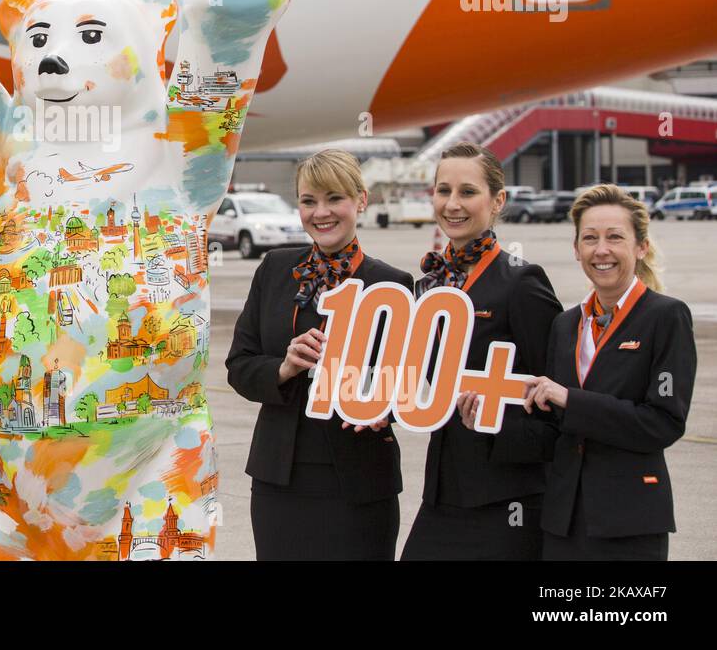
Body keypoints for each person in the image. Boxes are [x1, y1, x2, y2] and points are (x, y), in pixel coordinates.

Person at [227, 149, 412, 559]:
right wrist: (284, 367)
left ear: (361, 201)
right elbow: (239, 367)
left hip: (360, 481)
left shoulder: (392, 284)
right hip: (281, 478)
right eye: (309, 201)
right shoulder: (275, 269)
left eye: (334, 199)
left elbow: (410, 384)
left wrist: (386, 406)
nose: (321, 212)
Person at [401, 142, 563, 560]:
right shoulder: (429, 286)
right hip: (442, 491)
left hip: (507, 498)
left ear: (498, 201)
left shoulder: (522, 283)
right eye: (443, 191)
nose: (452, 204)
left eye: (468, 192)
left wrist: (494, 428)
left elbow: (560, 406)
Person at [527, 185, 695, 560]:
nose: (601, 250)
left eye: (614, 237)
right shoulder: (565, 325)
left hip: (629, 522)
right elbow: (552, 427)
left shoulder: (666, 317)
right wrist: (484, 419)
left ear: (641, 247)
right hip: (563, 522)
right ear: (576, 249)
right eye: (589, 238)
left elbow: (663, 424)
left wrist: (571, 399)